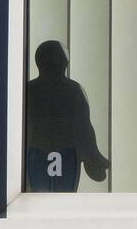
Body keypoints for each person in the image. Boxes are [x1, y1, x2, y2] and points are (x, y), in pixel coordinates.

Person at [25, 40, 110, 192]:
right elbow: (84, 127)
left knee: (40, 200)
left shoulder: (29, 90)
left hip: (38, 153)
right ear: (65, 62)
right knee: (61, 199)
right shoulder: (73, 90)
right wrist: (93, 156)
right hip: (65, 154)